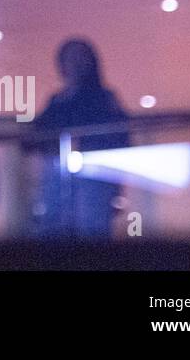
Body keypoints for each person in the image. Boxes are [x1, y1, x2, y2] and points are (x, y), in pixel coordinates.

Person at [33, 37, 129, 238]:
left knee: (91, 229)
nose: (75, 63)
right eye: (70, 58)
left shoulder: (104, 98)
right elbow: (38, 133)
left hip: (94, 176)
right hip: (58, 176)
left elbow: (119, 134)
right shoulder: (57, 100)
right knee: (55, 228)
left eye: (80, 57)